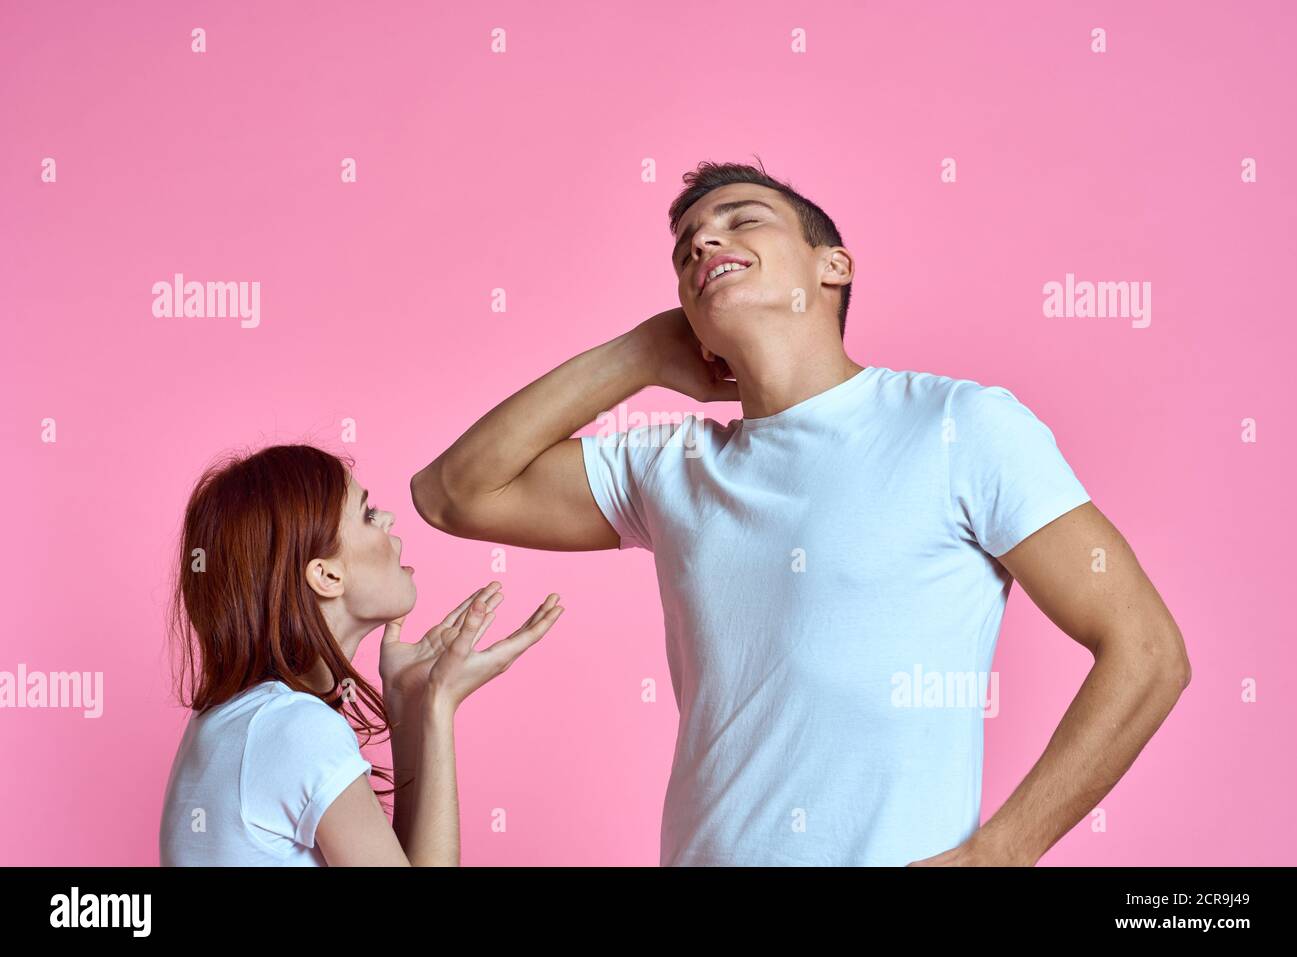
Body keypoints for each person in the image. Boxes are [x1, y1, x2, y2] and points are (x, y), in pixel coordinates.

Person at [409, 159, 1192, 866]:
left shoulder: (960, 426)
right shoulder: (671, 465)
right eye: (686, 248)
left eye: (742, 218)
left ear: (833, 267)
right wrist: (642, 354)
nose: (704, 241)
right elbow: (452, 492)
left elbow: (1148, 650)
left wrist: (1000, 854)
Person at [159, 443, 563, 866]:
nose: (387, 519)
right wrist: (440, 705)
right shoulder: (295, 730)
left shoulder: (235, 722)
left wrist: (410, 702)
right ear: (327, 575)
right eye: (368, 515)